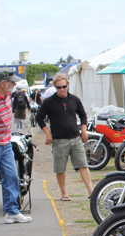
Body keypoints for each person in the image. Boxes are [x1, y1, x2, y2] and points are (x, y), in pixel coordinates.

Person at [0, 69, 33, 225]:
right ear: (2, 83)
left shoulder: (6, 93)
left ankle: (12, 212)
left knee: (11, 177)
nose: (15, 84)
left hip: (5, 142)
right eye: (12, 81)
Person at [35, 72, 93, 201]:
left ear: (68, 85)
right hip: (59, 139)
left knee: (83, 164)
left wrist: (83, 130)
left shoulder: (74, 99)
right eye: (58, 87)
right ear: (55, 88)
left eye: (64, 86)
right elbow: (39, 118)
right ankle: (64, 193)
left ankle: (91, 191)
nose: (62, 90)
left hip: (75, 137)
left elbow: (83, 115)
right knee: (60, 167)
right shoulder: (49, 102)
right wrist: (47, 133)